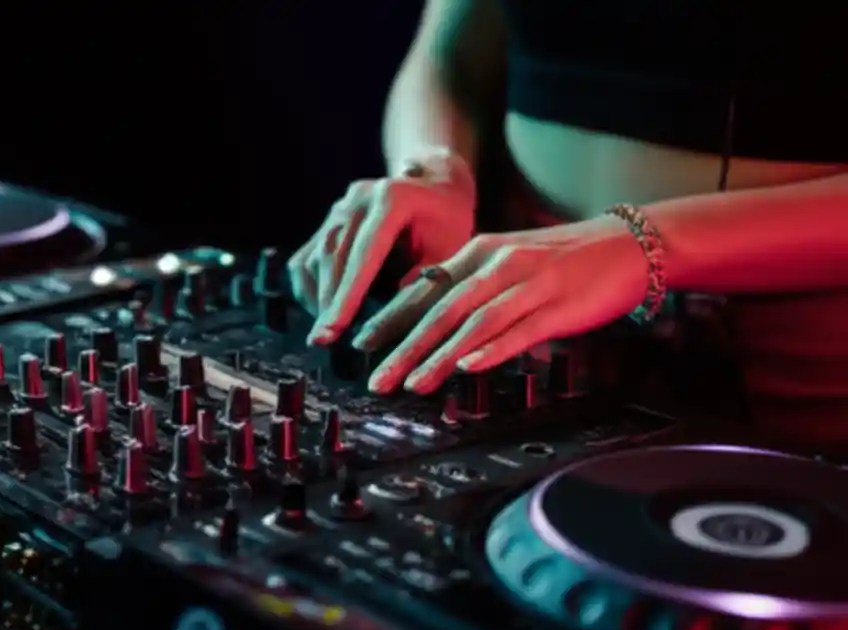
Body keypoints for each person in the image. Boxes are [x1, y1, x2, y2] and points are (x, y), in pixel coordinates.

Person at [288, 0, 848, 450]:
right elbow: (450, 58)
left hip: (795, 372)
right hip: (525, 328)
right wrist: (433, 167)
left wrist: (641, 245)